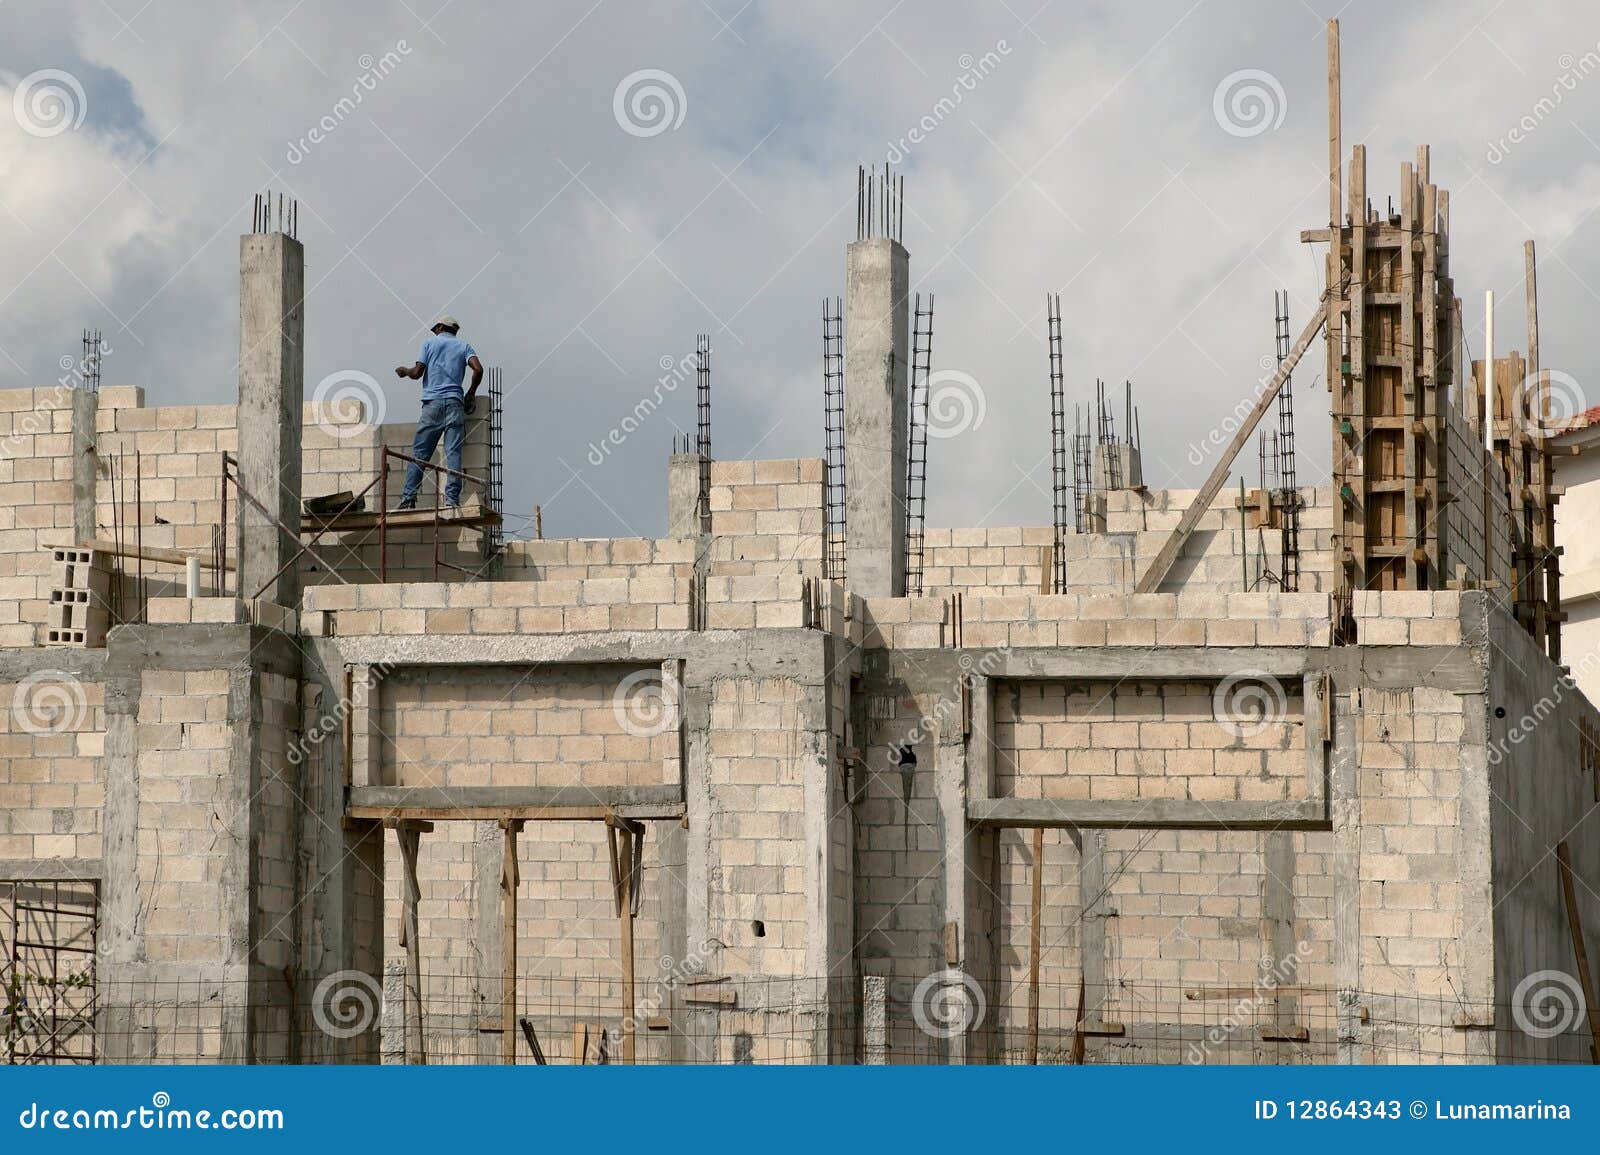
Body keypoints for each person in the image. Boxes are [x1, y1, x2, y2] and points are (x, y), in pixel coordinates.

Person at [393, 314, 483, 510]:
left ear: (440, 327)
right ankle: (451, 500)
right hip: (454, 404)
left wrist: (404, 371)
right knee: (453, 453)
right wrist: (470, 394)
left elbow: (417, 374)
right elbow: (478, 369)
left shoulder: (429, 344)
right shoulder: (463, 346)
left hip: (432, 405)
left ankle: (408, 498)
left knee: (420, 453)